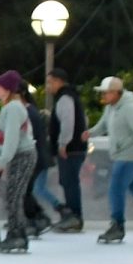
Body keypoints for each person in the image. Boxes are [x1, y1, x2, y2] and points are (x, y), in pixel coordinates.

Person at [87, 75, 133, 244]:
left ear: (116, 93)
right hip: (120, 155)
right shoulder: (111, 108)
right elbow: (103, 125)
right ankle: (117, 225)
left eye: (105, 93)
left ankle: (117, 225)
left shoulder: (129, 109)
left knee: (116, 188)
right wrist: (89, 133)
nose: (103, 96)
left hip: (130, 156)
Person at [0, 70, 38, 254]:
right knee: (12, 195)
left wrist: (1, 162)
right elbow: (2, 139)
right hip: (19, 155)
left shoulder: (14, 108)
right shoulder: (9, 108)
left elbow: (11, 139)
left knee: (14, 196)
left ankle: (17, 235)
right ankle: (17, 233)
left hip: (23, 155)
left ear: (7, 89)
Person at [46, 68, 88, 231]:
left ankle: (74, 217)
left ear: (58, 81)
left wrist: (63, 144)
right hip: (75, 147)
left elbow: (68, 122)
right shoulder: (72, 96)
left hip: (71, 149)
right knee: (68, 181)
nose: (48, 86)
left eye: (50, 82)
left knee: (69, 182)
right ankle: (74, 216)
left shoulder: (65, 98)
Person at [18, 85, 57, 236]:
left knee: (25, 190)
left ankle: (36, 218)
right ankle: (38, 217)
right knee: (26, 190)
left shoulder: (27, 113)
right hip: (36, 156)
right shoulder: (28, 111)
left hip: (34, 157)